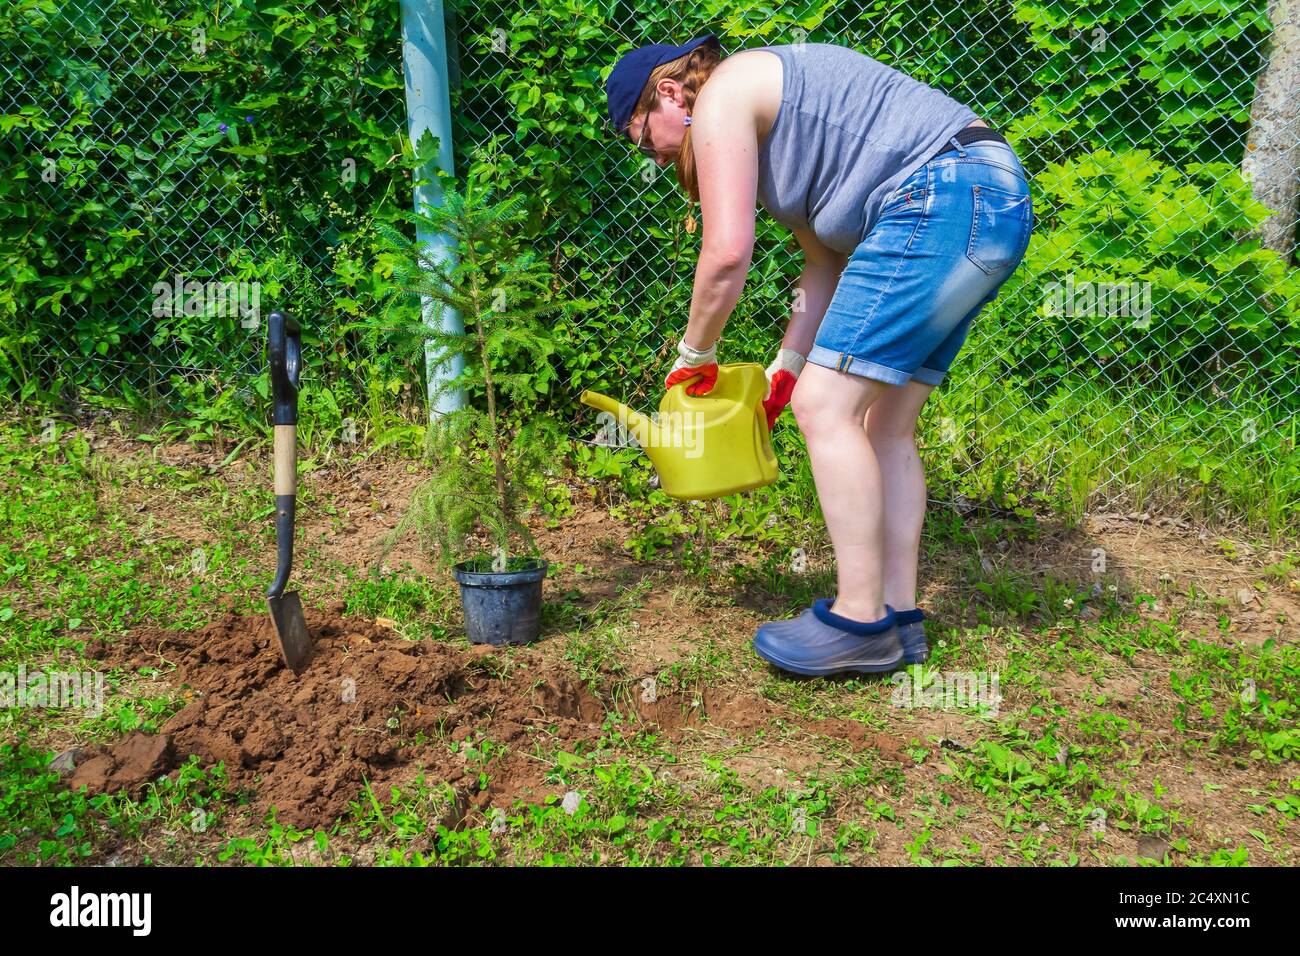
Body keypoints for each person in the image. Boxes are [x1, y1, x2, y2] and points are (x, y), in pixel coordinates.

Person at [604, 34, 1034, 676]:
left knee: (827, 409)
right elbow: (822, 264)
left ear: (669, 93)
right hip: (991, 199)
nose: (658, 158)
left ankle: (859, 621)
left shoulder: (723, 96)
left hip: (940, 196)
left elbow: (725, 254)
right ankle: (898, 618)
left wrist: (693, 354)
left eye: (644, 138)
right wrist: (788, 367)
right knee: (881, 423)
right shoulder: (781, 127)